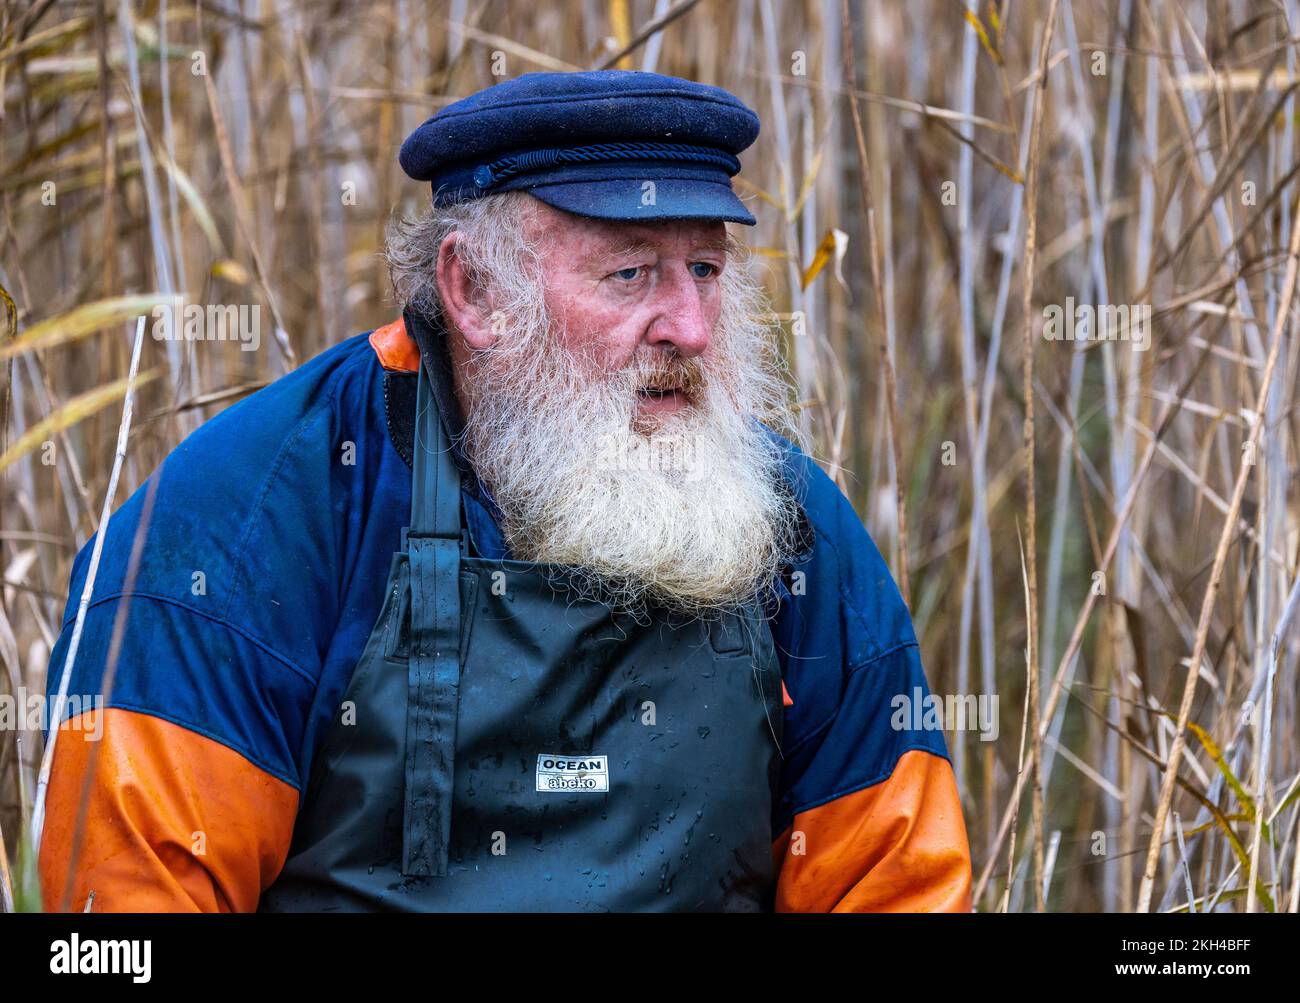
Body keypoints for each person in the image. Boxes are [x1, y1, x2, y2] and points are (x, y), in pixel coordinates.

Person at [38, 69, 973, 912]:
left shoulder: (789, 529)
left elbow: (894, 887)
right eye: (631, 272)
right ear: (475, 289)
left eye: (705, 269)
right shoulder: (240, 526)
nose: (688, 325)